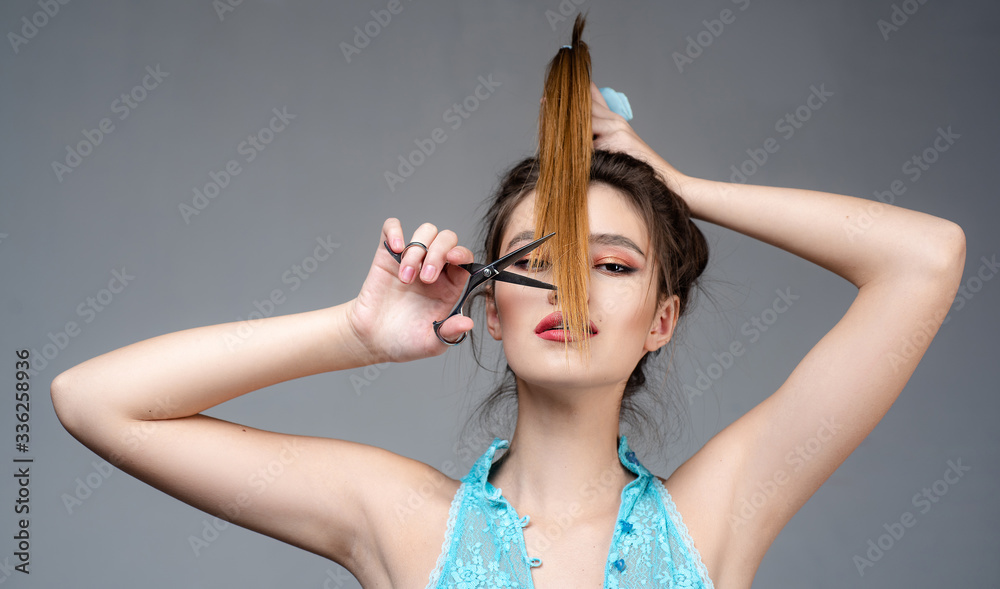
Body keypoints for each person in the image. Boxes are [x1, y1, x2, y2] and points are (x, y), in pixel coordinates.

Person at [51, 76, 965, 589]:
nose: (571, 282)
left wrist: (685, 193)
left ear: (662, 319)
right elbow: (92, 402)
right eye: (537, 258)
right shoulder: (404, 521)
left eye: (611, 264)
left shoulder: (713, 518)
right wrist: (355, 331)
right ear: (489, 306)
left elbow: (926, 257)